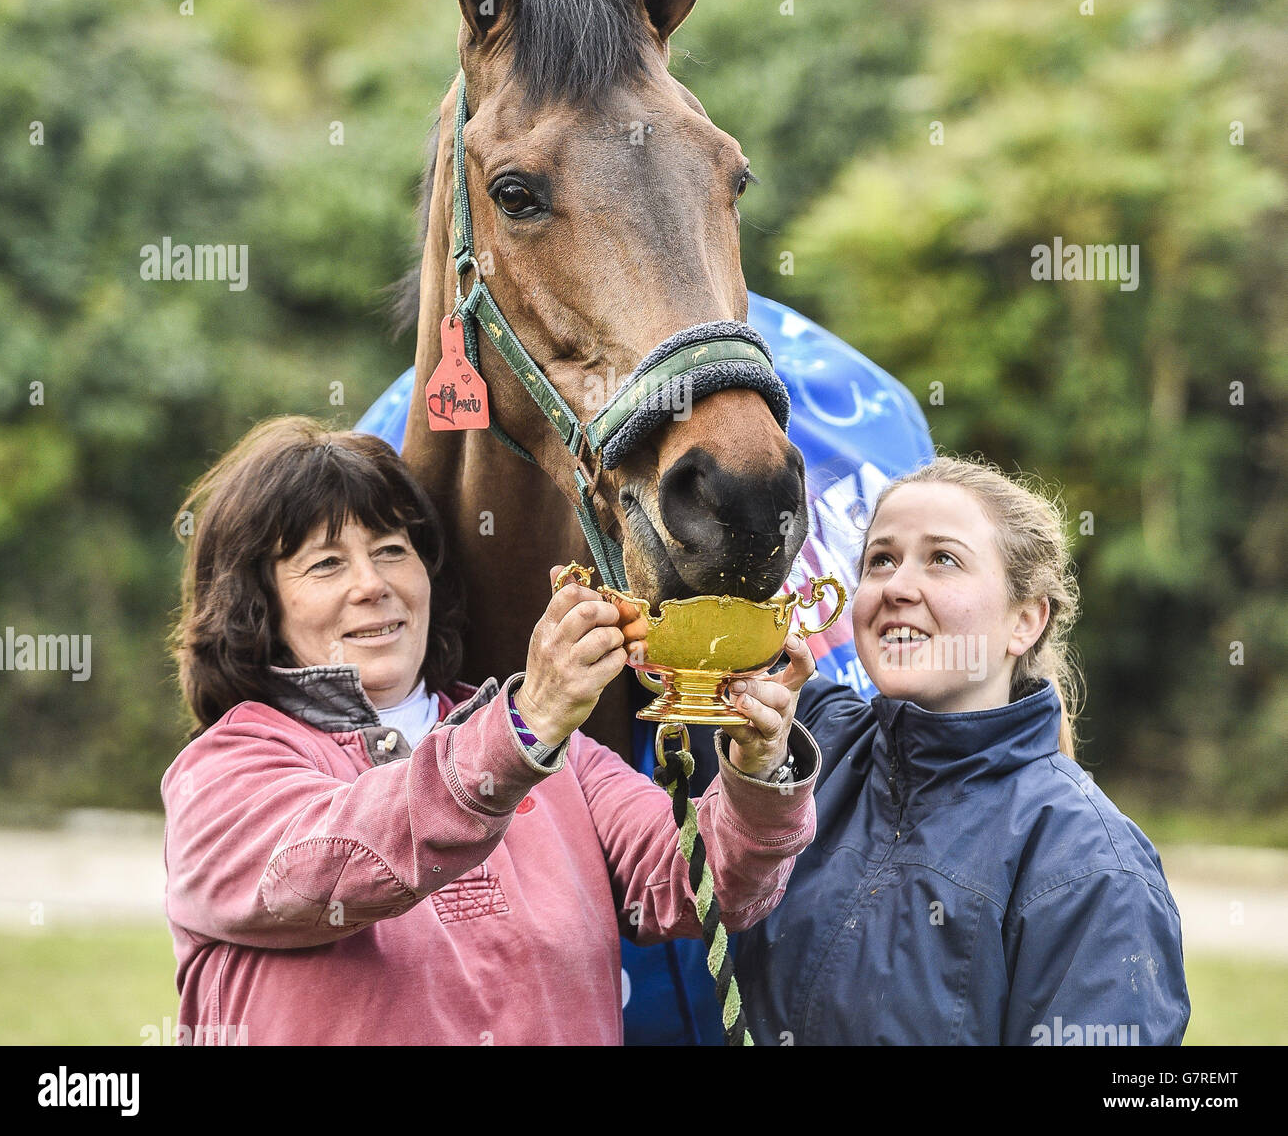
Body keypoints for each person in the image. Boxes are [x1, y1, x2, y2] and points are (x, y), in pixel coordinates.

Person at [161, 416, 820, 1046]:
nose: (373, 585)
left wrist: (759, 773)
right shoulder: (218, 774)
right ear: (258, 604)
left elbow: (705, 885)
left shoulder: (565, 757)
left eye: (393, 550)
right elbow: (336, 868)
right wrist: (524, 728)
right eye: (326, 564)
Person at [732, 454, 1191, 1045]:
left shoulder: (1090, 865)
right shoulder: (807, 743)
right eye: (880, 560)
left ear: (1025, 621)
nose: (898, 586)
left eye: (942, 560)